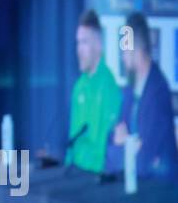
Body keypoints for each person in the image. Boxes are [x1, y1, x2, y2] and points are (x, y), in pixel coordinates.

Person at [107, 11, 178, 180]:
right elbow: (110, 150)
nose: (122, 57)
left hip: (160, 192)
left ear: (136, 51)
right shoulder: (129, 91)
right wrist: (129, 144)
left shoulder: (158, 92)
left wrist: (124, 144)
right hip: (135, 188)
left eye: (124, 51)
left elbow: (144, 162)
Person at [65, 9, 122, 174]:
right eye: (77, 43)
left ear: (98, 45)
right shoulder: (78, 87)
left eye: (84, 42)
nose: (79, 50)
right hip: (74, 173)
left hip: (95, 178)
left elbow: (106, 148)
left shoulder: (109, 87)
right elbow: (72, 139)